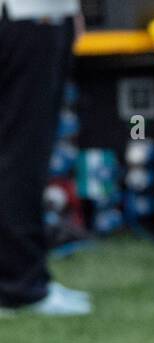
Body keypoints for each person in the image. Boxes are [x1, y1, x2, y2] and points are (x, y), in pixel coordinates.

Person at [0, 0, 91, 316]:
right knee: (21, 157)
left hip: (42, 13)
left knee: (24, 155)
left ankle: (26, 278)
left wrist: (70, 9)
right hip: (26, 15)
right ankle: (20, 286)